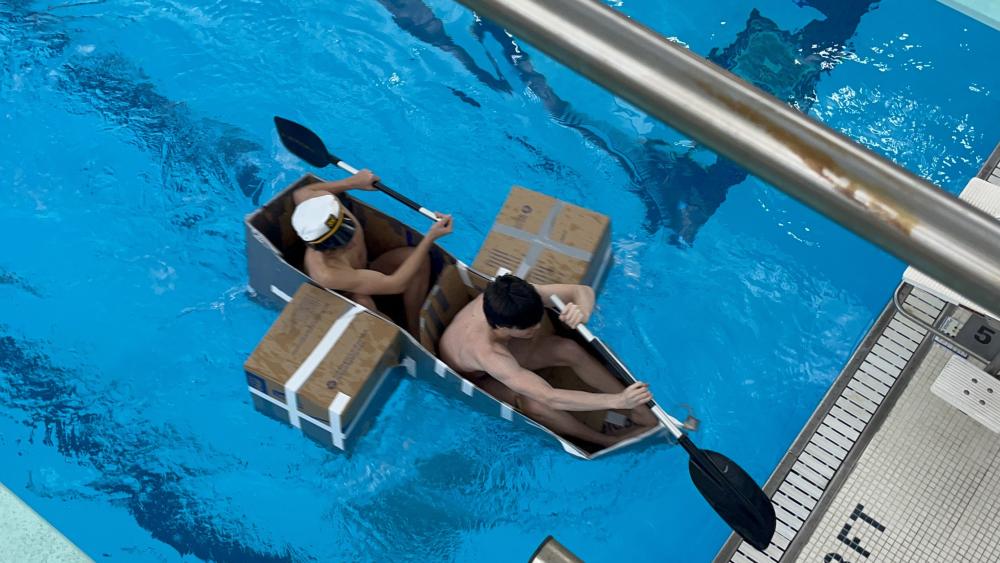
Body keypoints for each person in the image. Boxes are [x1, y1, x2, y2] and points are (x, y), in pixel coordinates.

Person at [439, 274, 658, 447]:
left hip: (501, 342)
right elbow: (550, 397)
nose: (537, 328)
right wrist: (617, 401)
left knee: (568, 349)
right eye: (528, 328)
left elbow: (581, 290)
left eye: (537, 321)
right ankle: (605, 440)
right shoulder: (488, 354)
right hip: (474, 376)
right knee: (534, 402)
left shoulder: (514, 298)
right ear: (504, 327)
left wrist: (583, 311)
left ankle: (638, 409)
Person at [291, 169, 453, 336]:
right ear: (323, 248)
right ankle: (401, 338)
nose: (353, 241)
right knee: (365, 305)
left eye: (346, 229)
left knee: (416, 259)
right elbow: (395, 284)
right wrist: (430, 237)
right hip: (349, 293)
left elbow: (301, 192)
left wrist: (354, 182)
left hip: (366, 268)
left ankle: (414, 328)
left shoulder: (322, 202)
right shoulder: (326, 273)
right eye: (341, 244)